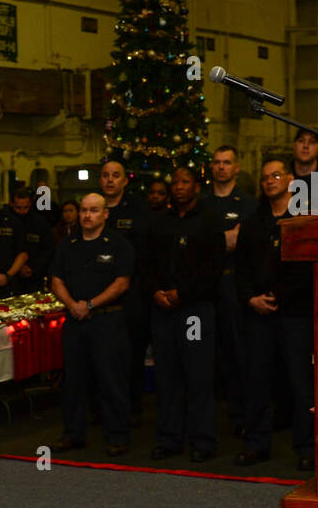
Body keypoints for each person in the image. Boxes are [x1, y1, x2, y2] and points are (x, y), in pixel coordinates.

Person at [233, 156, 314, 469]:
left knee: (300, 383)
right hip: (258, 315)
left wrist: (277, 295)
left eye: (276, 175)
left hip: (296, 313)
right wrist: (251, 299)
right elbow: (240, 270)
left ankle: (306, 447)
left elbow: (307, 268)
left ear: (290, 179)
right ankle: (256, 444)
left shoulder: (304, 218)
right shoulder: (253, 222)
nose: (269, 181)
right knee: (256, 381)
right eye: (265, 177)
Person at [143, 166, 226, 461]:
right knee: (167, 375)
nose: (178, 187)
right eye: (174, 181)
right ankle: (169, 439)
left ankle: (203, 442)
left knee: (198, 375)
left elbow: (213, 269)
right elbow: (146, 263)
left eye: (185, 182)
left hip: (195, 309)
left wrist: (183, 293)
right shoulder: (159, 222)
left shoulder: (208, 221)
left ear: (196, 186)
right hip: (162, 308)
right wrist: (156, 291)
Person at [50, 193, 136, 457]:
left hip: (107, 320)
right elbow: (55, 280)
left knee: (111, 380)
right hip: (75, 321)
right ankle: (73, 434)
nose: (87, 215)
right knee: (73, 381)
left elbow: (122, 283)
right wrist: (73, 305)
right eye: (84, 210)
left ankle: (118, 436)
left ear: (105, 214)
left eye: (94, 210)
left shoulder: (118, 244)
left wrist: (90, 305)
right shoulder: (68, 244)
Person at [201, 145, 258, 433]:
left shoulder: (248, 204)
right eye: (217, 162)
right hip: (204, 289)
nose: (221, 167)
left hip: (234, 285)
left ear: (236, 168)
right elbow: (198, 246)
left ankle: (241, 418)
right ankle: (205, 422)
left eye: (227, 162)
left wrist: (213, 242)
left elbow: (244, 244)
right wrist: (222, 240)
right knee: (206, 355)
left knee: (238, 353)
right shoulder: (202, 204)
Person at [99, 159, 152, 422]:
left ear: (125, 181)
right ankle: (102, 407)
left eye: (116, 175)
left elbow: (144, 252)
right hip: (98, 296)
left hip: (132, 293)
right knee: (102, 354)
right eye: (106, 175)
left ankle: (132, 405)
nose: (110, 180)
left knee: (132, 352)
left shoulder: (139, 210)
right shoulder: (93, 209)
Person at [9, 185, 53, 293]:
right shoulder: (5, 222)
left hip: (34, 277)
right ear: (11, 204)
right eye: (18, 208)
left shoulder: (40, 223)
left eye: (26, 207)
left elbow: (48, 250)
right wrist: (16, 268)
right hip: (9, 277)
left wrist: (33, 268)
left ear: (30, 204)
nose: (22, 211)